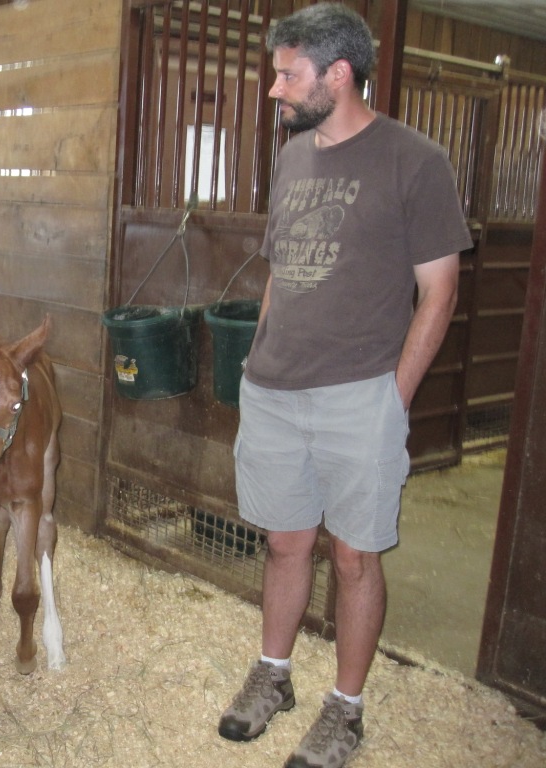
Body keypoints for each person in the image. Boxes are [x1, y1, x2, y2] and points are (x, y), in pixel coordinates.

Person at [217, 4, 473, 768]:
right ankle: (275, 676)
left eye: (287, 74)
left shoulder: (413, 161)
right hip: (274, 389)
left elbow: (442, 291)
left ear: (338, 74)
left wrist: (393, 397)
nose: (274, 89)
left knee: (356, 558)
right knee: (285, 544)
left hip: (360, 393)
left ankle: (346, 710)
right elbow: (279, 270)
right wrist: (256, 357)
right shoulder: (294, 156)